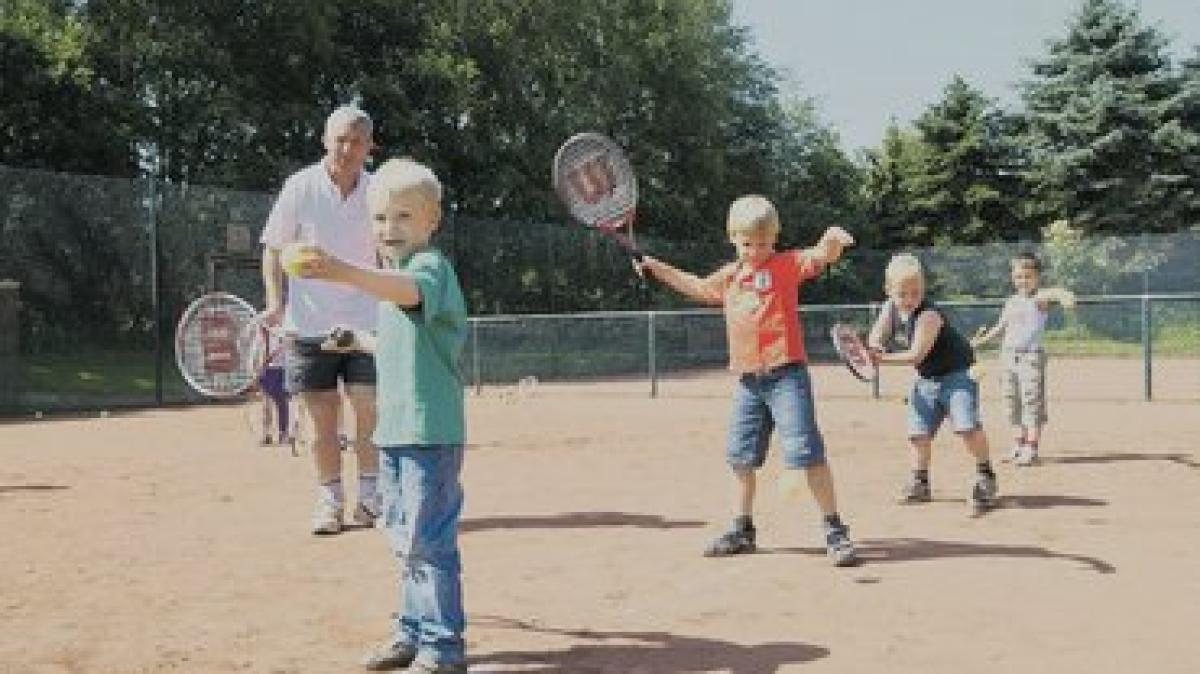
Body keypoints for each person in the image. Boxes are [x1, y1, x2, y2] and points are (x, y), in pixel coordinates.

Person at [293, 158, 470, 673]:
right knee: (402, 538)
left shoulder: (428, 268)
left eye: (403, 217)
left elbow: (410, 295)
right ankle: (412, 632)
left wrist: (340, 270)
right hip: (393, 432)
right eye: (380, 219)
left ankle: (442, 647)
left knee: (428, 540)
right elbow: (402, 336)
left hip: (429, 432)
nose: (389, 229)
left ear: (431, 220)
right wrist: (361, 340)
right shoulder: (393, 281)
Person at [635, 195, 859, 567]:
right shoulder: (730, 277)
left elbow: (821, 255)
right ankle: (742, 529)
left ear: (775, 238)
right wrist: (657, 268)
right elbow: (696, 286)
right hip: (749, 383)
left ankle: (835, 530)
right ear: (733, 239)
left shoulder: (786, 265)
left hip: (787, 376)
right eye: (748, 243)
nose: (756, 250)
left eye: (765, 242)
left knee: (807, 453)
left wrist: (833, 239)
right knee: (740, 458)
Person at [260, 105, 380, 535]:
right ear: (325, 140)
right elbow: (274, 249)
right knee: (321, 420)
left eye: (357, 141)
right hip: (309, 327)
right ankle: (330, 500)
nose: (347, 149)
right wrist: (276, 301)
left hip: (368, 326)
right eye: (340, 139)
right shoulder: (300, 187)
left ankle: (371, 498)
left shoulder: (379, 190)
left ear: (370, 147)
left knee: (369, 407)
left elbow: (392, 252)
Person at [867, 253, 999, 512]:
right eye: (902, 293)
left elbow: (916, 355)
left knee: (966, 428)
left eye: (915, 293)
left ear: (923, 288)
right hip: (927, 378)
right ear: (888, 290)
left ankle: (986, 476)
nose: (909, 300)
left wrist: (879, 360)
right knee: (918, 434)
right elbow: (877, 336)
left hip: (959, 374)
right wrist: (872, 348)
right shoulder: (890, 308)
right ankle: (920, 483)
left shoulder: (929, 315)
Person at [970, 252, 1075, 466]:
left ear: (1037, 278)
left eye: (1028, 276)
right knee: (1011, 403)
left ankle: (1031, 448)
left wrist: (1066, 297)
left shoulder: (1039, 299)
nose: (1023, 281)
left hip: (1030, 357)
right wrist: (979, 342)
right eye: (1018, 276)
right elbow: (1001, 328)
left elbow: (1056, 293)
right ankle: (1018, 445)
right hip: (1008, 356)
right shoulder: (1011, 301)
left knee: (1031, 402)